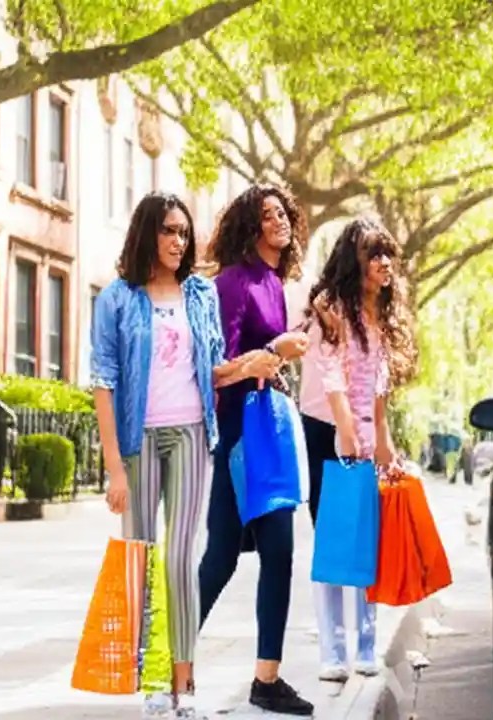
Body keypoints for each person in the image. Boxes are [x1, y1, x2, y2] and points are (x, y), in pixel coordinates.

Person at [91, 192, 282, 720]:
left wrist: (252, 365)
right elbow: (103, 383)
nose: (178, 241)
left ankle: (185, 688)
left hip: (191, 436)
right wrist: (113, 469)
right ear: (147, 233)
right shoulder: (117, 299)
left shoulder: (198, 294)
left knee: (179, 559)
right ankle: (155, 683)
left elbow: (214, 368)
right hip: (137, 442)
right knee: (144, 560)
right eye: (169, 231)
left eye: (183, 232)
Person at [199, 183, 314, 716]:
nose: (280, 222)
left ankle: (265, 678)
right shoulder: (235, 282)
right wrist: (273, 351)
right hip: (241, 436)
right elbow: (216, 370)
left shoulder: (274, 282)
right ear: (251, 226)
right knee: (228, 558)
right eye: (268, 215)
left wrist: (281, 354)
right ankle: (168, 659)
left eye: (284, 213)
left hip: (261, 432)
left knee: (253, 555)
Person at [296, 216, 418, 682]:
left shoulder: (380, 315)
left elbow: (379, 387)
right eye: (374, 254)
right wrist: (347, 431)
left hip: (364, 436)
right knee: (332, 546)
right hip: (327, 431)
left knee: (366, 542)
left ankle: (366, 645)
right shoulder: (330, 307)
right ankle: (333, 651)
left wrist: (383, 443)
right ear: (355, 260)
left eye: (388, 254)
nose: (384, 263)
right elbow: (330, 374)